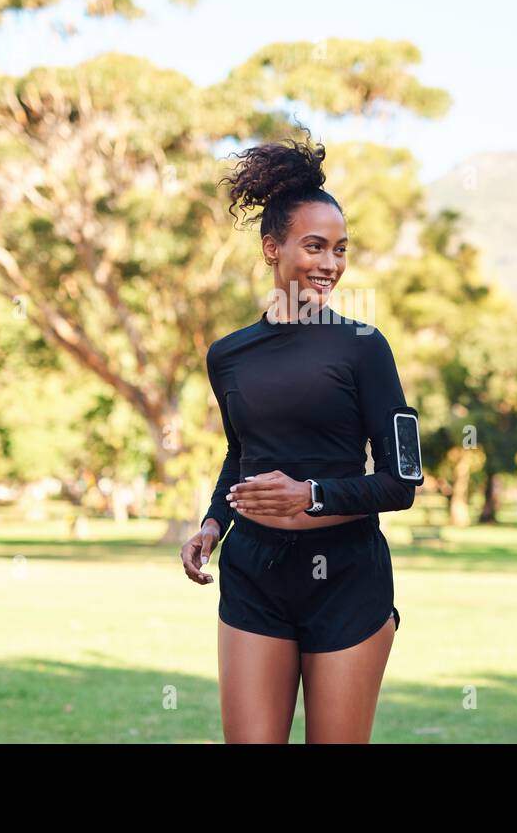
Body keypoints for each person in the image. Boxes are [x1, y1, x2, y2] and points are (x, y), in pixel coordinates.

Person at [178, 131, 419, 743]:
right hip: (254, 575)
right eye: (314, 246)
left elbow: (403, 482)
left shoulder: (366, 348)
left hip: (347, 579)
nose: (330, 265)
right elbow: (241, 451)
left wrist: (309, 495)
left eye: (340, 249)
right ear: (271, 248)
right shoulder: (228, 355)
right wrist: (213, 522)